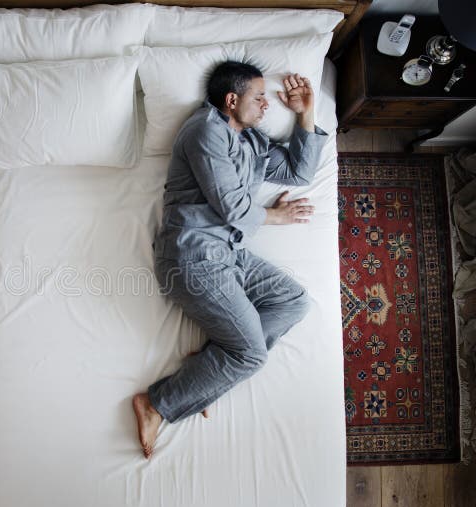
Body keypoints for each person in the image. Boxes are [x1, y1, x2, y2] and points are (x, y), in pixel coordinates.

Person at [132, 61, 329, 459]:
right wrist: (275, 216)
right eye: (259, 98)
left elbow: (299, 172)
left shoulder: (253, 143)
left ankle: (208, 367)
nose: (266, 106)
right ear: (231, 99)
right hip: (191, 257)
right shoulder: (204, 131)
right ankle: (156, 403)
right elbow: (234, 207)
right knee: (251, 354)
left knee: (293, 301)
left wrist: (306, 113)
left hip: (229, 255)